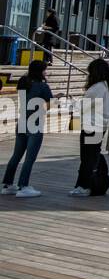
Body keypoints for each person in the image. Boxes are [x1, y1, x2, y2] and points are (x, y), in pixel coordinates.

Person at [2, 60, 53, 197]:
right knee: (29, 158)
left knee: (16, 155)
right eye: (44, 70)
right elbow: (47, 106)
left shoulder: (23, 82)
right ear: (40, 71)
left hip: (22, 122)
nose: (46, 72)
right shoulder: (43, 86)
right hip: (35, 124)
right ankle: (23, 186)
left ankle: (6, 184)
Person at [71, 57, 109, 197]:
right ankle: (82, 184)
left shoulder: (97, 87)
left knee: (87, 156)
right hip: (101, 125)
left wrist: (71, 102)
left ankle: (85, 186)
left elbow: (84, 106)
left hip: (91, 125)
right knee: (91, 155)